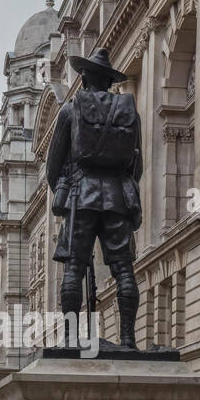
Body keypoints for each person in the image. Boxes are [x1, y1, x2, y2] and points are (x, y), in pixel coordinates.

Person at [46, 47, 143, 348]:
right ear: (109, 81)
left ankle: (71, 338)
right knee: (124, 268)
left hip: (80, 195)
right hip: (117, 197)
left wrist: (68, 187)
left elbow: (53, 167)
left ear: (85, 78)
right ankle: (128, 340)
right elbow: (136, 164)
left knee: (74, 267)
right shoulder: (129, 112)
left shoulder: (70, 110)